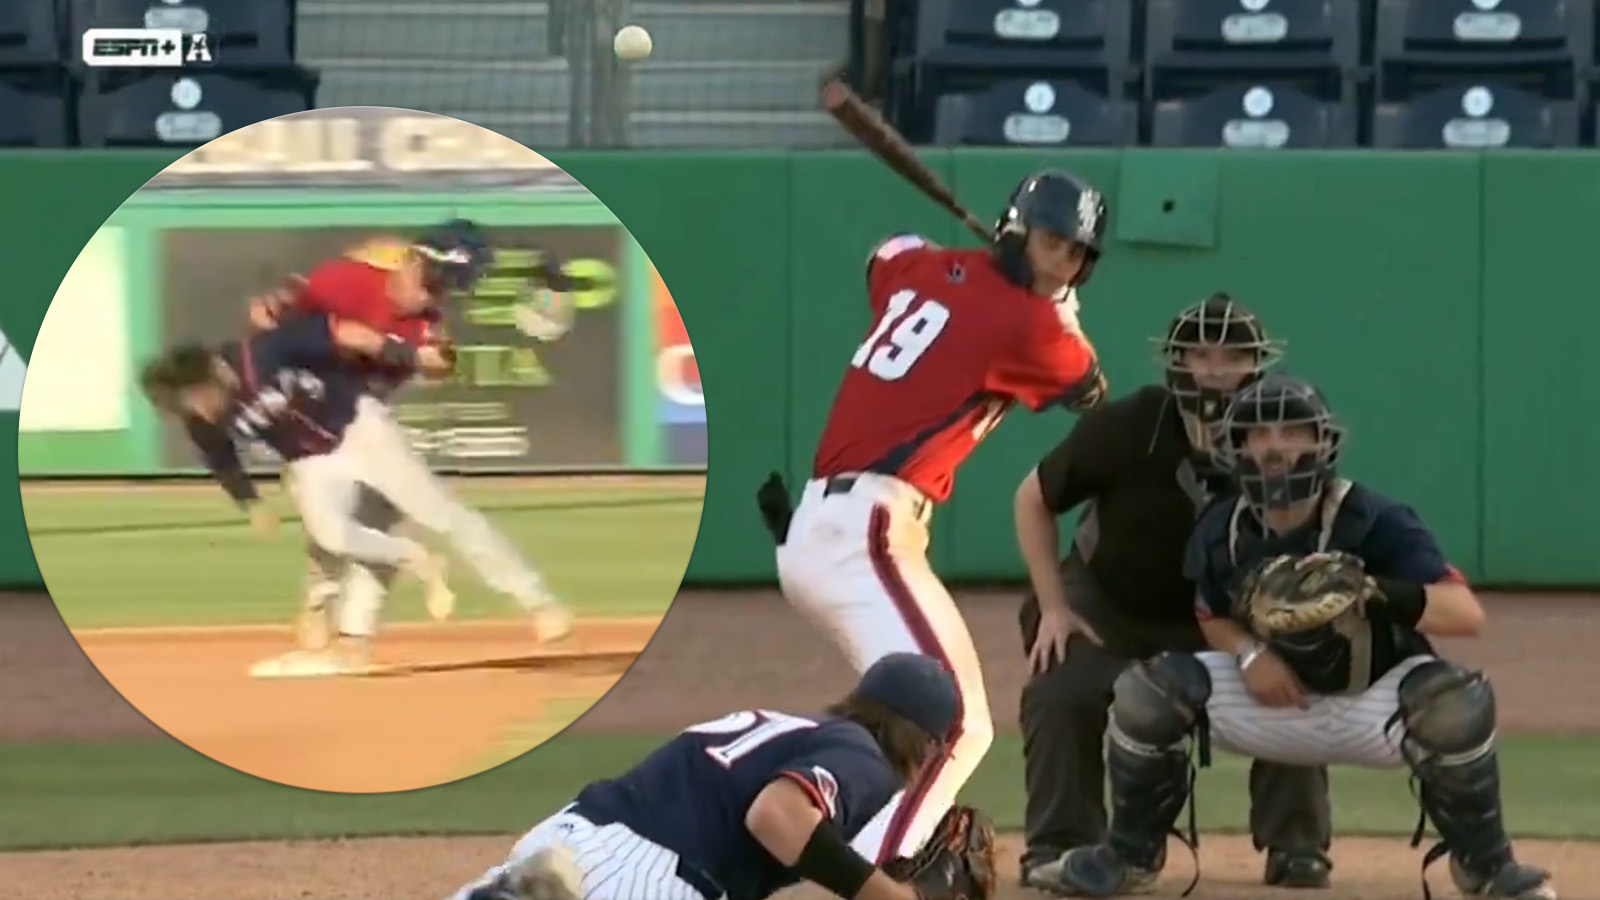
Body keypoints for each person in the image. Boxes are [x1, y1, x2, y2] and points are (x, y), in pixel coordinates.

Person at [1048, 374, 1557, 900]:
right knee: (1147, 691)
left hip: (1371, 698)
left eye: (1292, 432)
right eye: (1259, 433)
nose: (1275, 447)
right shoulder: (1222, 527)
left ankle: (1486, 864)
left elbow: (1465, 614)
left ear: (1321, 442)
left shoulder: (1374, 518)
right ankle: (1130, 857)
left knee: (1457, 703)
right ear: (1237, 447)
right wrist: (1249, 655)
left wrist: (1374, 589)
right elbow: (1211, 614)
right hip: (1272, 701)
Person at [758, 169, 1110, 870]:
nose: (1062, 259)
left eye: (1074, 253)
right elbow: (1087, 385)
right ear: (1018, 230)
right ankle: (877, 877)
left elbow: (885, 252)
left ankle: (803, 824)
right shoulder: (1032, 323)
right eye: (1050, 241)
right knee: (958, 723)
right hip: (864, 532)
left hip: (831, 529)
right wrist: (1051, 295)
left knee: (900, 721)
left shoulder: (920, 269)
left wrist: (979, 268)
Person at [1012, 296, 1334, 890]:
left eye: (1231, 355)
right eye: (1199, 354)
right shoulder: (1129, 424)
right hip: (1110, 599)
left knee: (1294, 672)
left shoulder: (1279, 436)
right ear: (1175, 362)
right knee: (1061, 687)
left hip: (1226, 608)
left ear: (1256, 366)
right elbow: (1032, 497)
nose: (1213, 370)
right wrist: (1054, 607)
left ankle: (1297, 844)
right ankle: (1060, 843)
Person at [248, 220, 573, 646]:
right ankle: (320, 605)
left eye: (446, 287)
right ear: (414, 261)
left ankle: (537, 602)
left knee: (432, 515)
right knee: (330, 532)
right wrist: (276, 308)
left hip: (366, 424)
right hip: (312, 424)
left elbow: (438, 361)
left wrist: (437, 359)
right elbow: (281, 316)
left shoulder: (425, 319)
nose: (435, 292)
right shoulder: (345, 281)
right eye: (433, 279)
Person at [446, 653, 972, 900]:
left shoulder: (794, 729)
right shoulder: (863, 756)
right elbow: (776, 816)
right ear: (923, 743)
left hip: (573, 835)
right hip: (654, 878)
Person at [139, 312, 456, 676]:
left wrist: (405, 356)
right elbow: (221, 458)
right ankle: (417, 560)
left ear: (211, 372)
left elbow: (335, 333)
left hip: (357, 431)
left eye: (195, 397)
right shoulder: (202, 420)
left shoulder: (262, 352)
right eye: (183, 405)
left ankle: (344, 629)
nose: (196, 410)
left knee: (368, 525)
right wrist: (251, 501)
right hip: (311, 460)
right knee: (330, 536)